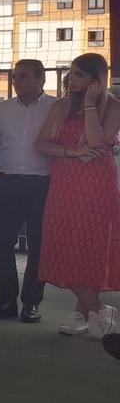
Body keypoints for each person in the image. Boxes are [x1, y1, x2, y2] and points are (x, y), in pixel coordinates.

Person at [36, 53, 120, 337]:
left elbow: (98, 141)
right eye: (71, 73)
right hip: (65, 181)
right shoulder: (60, 106)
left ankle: (82, 312)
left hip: (98, 184)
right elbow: (42, 144)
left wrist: (90, 106)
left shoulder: (114, 106)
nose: (71, 79)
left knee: (91, 246)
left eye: (79, 75)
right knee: (60, 244)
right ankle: (98, 308)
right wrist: (72, 152)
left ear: (97, 80)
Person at [0, 60, 55, 323]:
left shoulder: (56, 108)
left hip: (43, 183)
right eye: (14, 77)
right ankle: (6, 301)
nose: (16, 81)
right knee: (0, 244)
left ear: (40, 80)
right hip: (8, 182)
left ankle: (31, 303)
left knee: (39, 246)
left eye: (23, 76)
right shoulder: (3, 109)